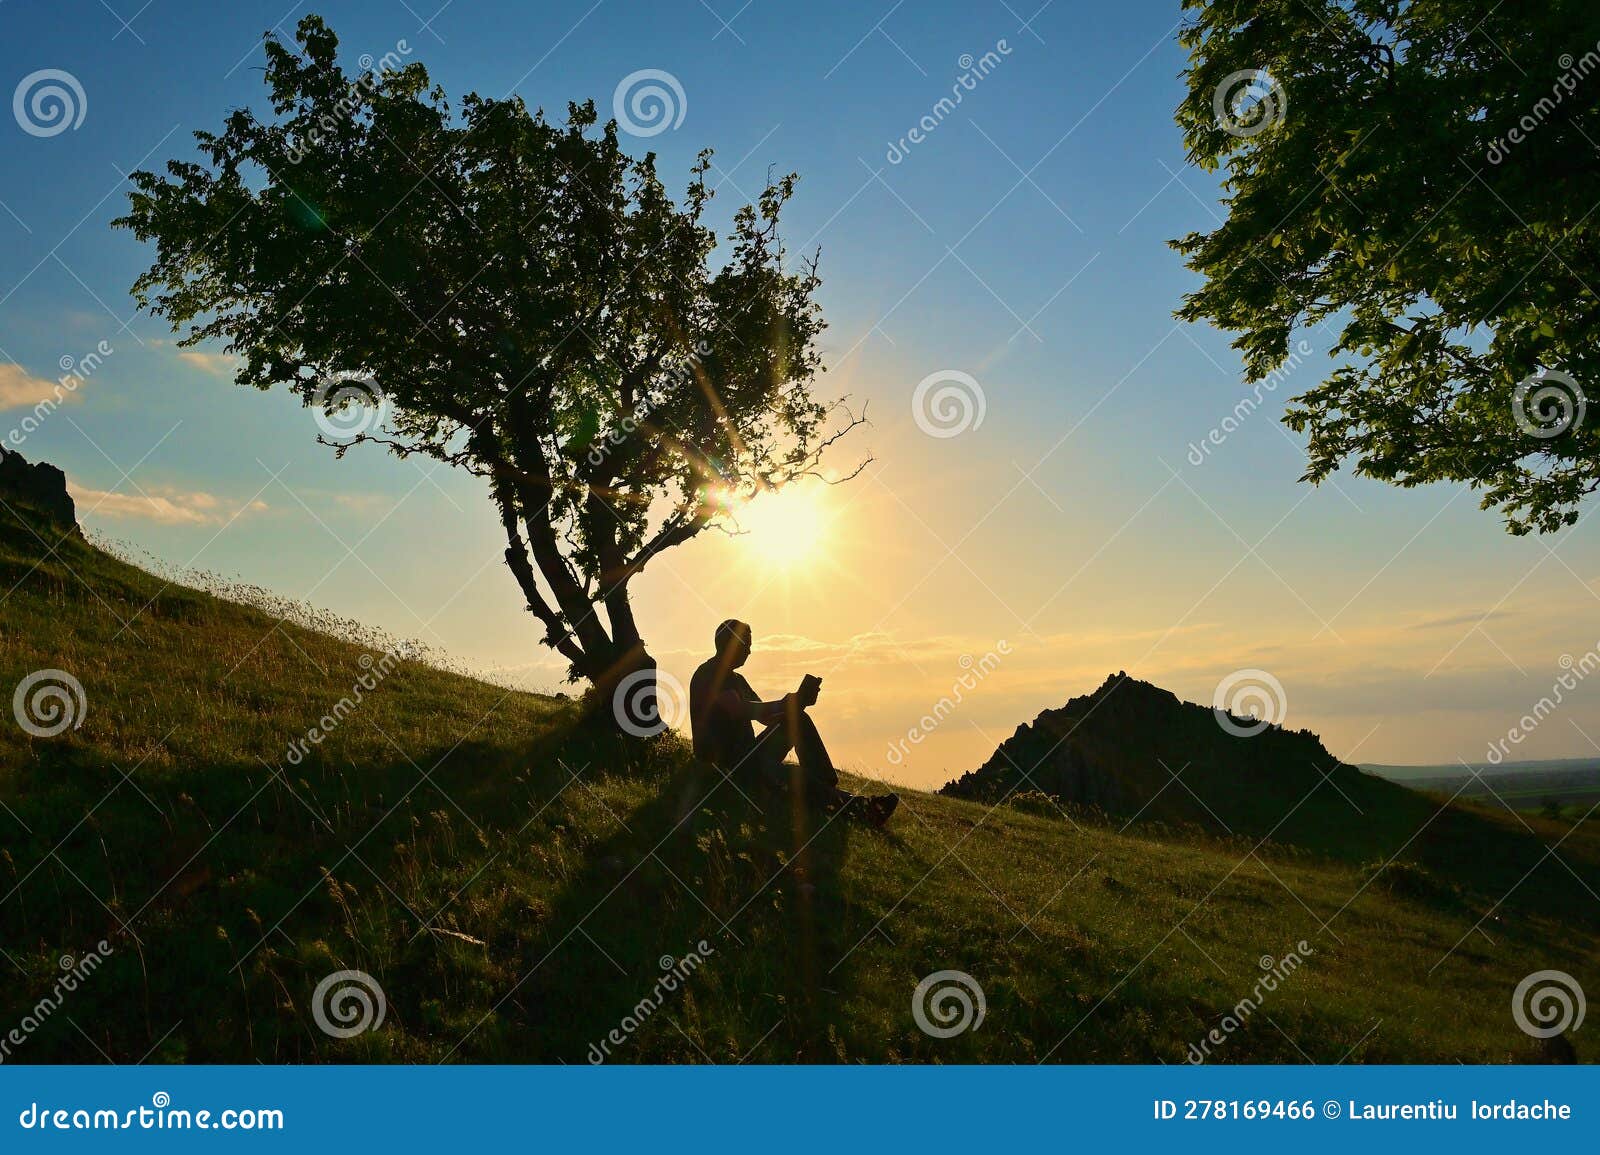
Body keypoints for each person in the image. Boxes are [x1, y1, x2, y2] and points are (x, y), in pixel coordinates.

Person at [690, 619, 898, 827]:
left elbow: (765, 717)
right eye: (747, 645)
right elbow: (738, 709)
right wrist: (782, 703)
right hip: (727, 764)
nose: (750, 651)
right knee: (793, 776)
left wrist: (797, 704)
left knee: (798, 719)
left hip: (748, 755)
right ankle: (861, 809)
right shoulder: (710, 673)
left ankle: (824, 784)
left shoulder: (737, 679)